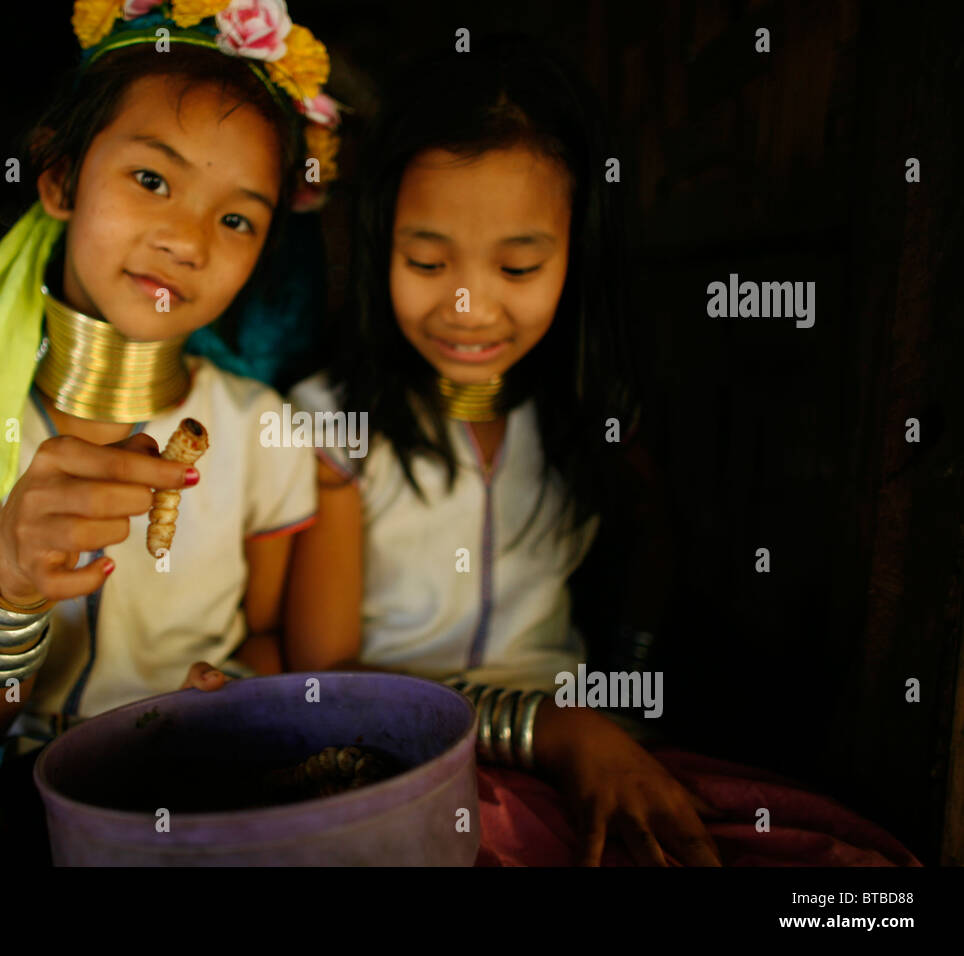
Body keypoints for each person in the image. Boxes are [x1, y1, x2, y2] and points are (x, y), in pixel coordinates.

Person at [0, 0, 340, 803]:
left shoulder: (265, 432)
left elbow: (262, 631)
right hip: (18, 789)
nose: (189, 240)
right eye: (151, 179)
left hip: (207, 778)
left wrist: (236, 696)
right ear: (58, 176)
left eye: (236, 219)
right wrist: (6, 576)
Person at [270, 32, 725, 866]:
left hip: (591, 746)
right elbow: (328, 681)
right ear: (380, 249)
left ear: (574, 258)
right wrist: (549, 730)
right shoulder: (332, 428)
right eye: (427, 260)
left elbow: (656, 540)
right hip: (400, 763)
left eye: (518, 268)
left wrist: (621, 698)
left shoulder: (596, 412)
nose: (469, 307)